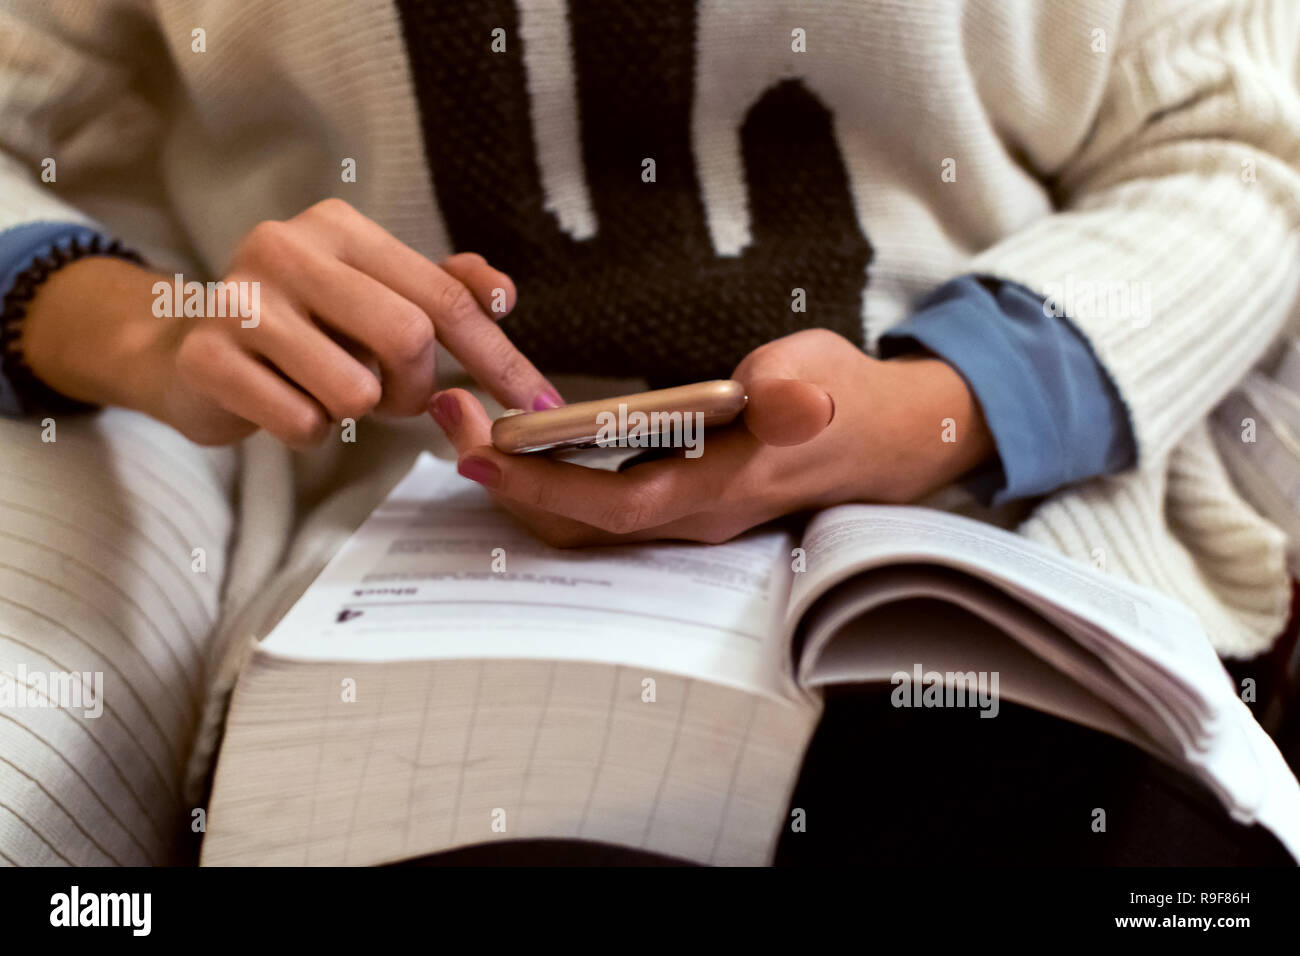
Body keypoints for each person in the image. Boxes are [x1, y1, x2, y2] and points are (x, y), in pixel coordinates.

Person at [0, 0, 1297, 865]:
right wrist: (139, 327)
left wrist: (933, 408)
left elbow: (1245, 140)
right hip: (381, 583)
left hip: (991, 536)